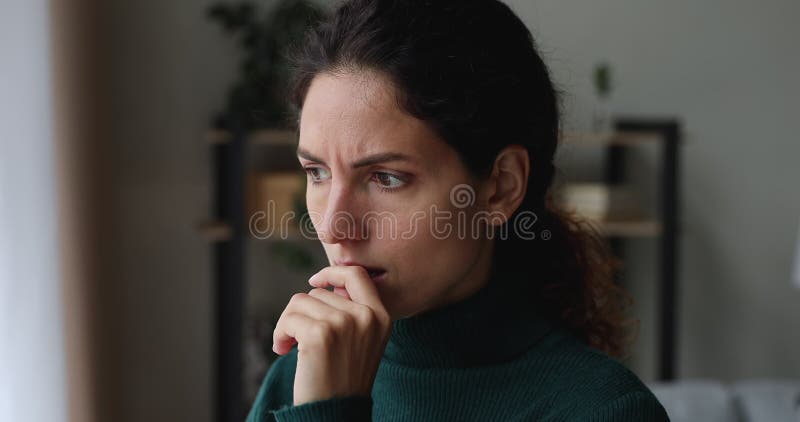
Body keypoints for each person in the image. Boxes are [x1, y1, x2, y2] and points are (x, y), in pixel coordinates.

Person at [246, 0, 671, 420]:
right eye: (317, 172)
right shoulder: (300, 379)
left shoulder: (605, 410)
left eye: (386, 178)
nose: (335, 227)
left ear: (501, 187)